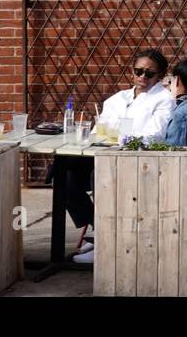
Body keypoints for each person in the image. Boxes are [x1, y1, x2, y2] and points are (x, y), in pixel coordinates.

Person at [70, 47, 176, 265]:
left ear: (160, 76)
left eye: (149, 73)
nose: (142, 77)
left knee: (98, 175)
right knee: (64, 171)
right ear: (132, 71)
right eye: (139, 71)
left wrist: (121, 137)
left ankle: (104, 241)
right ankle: (97, 229)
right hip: (106, 153)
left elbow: (155, 135)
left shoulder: (163, 100)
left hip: (139, 160)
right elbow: (99, 128)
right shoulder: (119, 98)